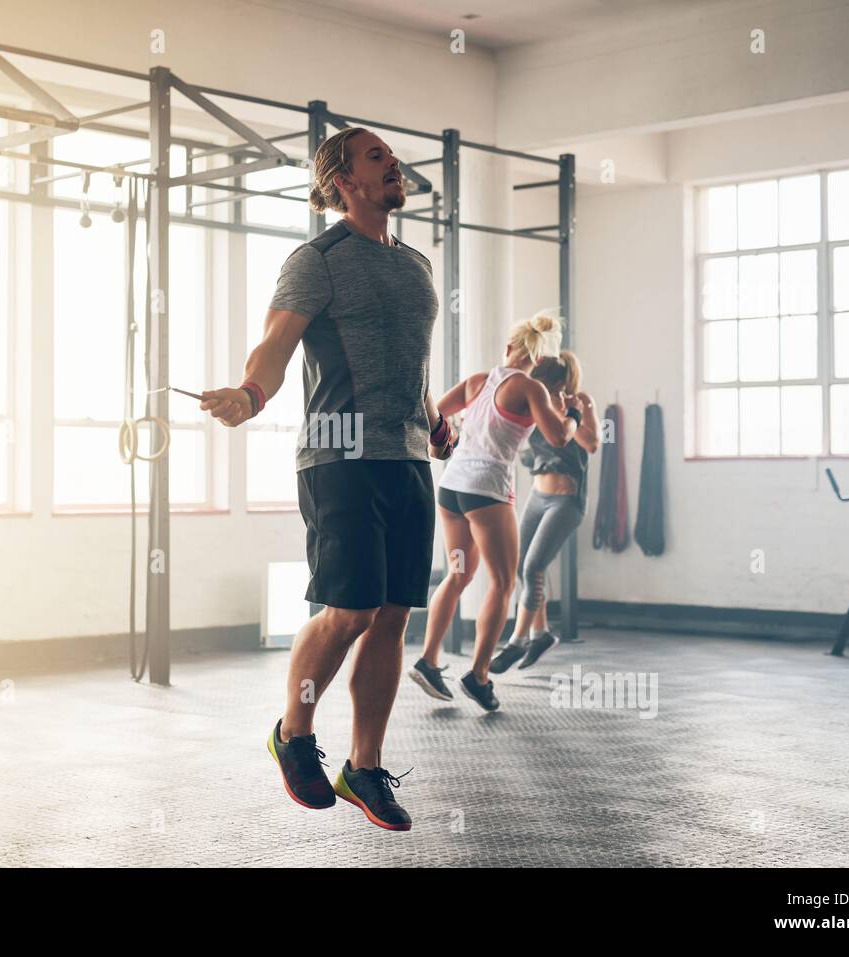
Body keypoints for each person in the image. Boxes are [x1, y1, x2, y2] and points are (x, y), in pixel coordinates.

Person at [200, 126, 456, 832]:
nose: (393, 165)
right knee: (351, 612)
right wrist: (249, 395)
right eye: (377, 157)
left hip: (405, 456)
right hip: (339, 454)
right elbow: (276, 346)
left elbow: (411, 363)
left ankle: (364, 766)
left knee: (395, 612)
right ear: (343, 180)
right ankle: (294, 732)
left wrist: (433, 420)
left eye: (393, 158)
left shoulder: (415, 266)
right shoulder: (317, 260)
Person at [409, 314, 578, 712]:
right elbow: (558, 437)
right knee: (502, 583)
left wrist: (444, 439)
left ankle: (429, 660)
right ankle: (478, 675)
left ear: (509, 349)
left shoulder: (478, 380)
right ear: (539, 360)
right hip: (486, 492)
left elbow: (430, 409)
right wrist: (574, 416)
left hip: (452, 488)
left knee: (459, 573)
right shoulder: (531, 387)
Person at [490, 351, 599, 673]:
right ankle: (540, 634)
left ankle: (517, 640)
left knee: (534, 566)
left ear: (561, 384)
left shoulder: (580, 401)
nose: (540, 392)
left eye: (546, 387)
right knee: (521, 564)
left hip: (567, 501)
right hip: (538, 497)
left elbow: (591, 443)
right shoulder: (535, 402)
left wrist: (572, 414)